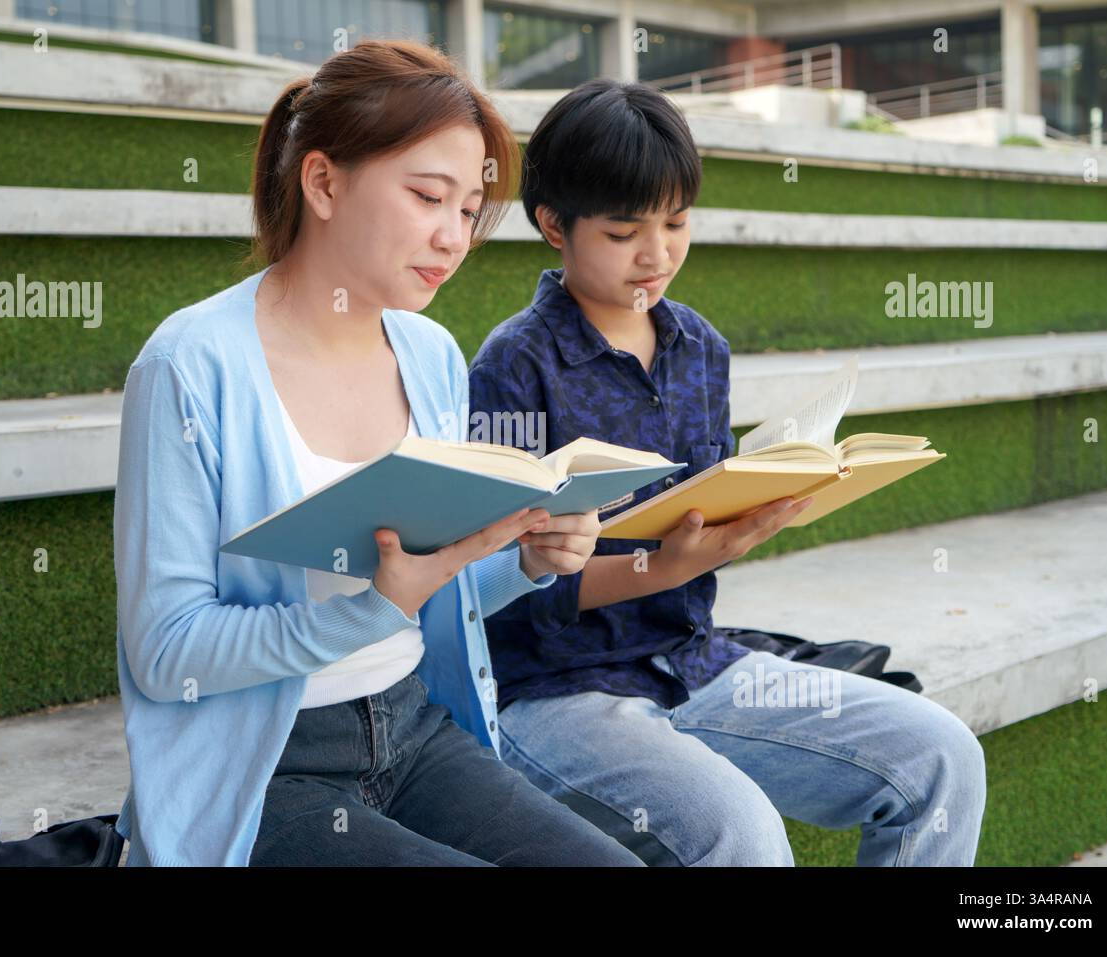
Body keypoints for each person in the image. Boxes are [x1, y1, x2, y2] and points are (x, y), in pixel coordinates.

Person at [111, 42, 641, 867]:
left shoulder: (429, 352)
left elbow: (433, 583)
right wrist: (371, 607)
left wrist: (533, 559)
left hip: (412, 727)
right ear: (322, 182)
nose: (453, 235)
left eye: (469, 209)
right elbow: (166, 651)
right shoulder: (191, 365)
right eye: (428, 196)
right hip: (264, 765)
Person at [467, 78, 987, 866]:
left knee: (942, 757)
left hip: (694, 661)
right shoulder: (513, 362)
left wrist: (765, 504)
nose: (658, 253)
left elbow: (700, 499)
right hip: (557, 691)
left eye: (677, 223)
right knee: (740, 835)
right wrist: (663, 565)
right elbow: (497, 584)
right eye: (623, 231)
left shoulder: (698, 347)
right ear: (553, 225)